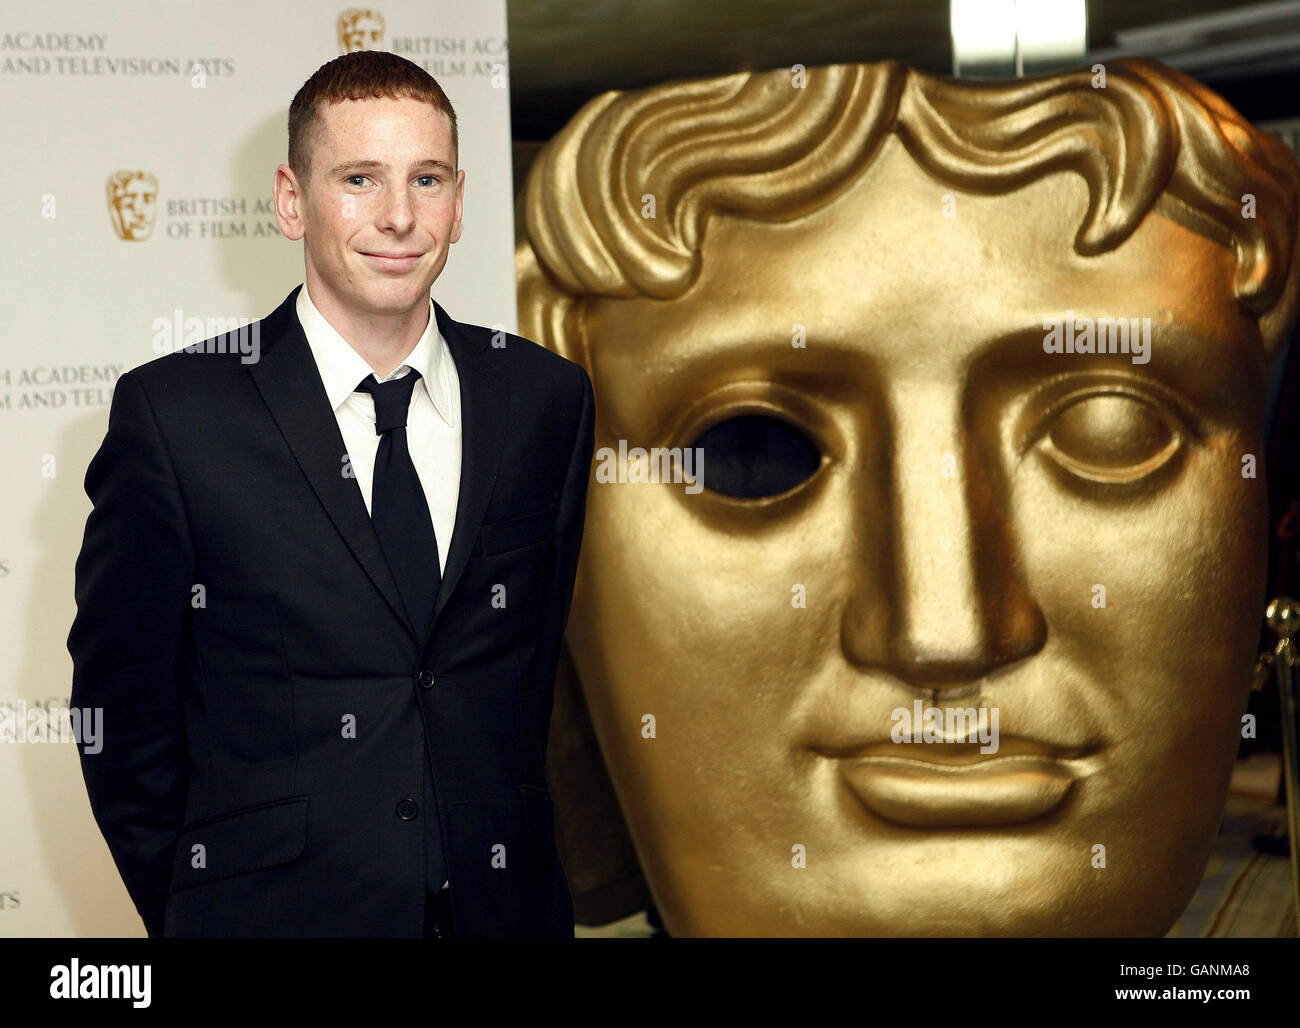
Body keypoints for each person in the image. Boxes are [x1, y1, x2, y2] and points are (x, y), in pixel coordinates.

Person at [68, 49, 594, 938]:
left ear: (461, 202)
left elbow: (528, 674)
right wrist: (203, 907)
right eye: (360, 178)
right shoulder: (177, 416)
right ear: (290, 200)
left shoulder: (544, 400)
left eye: (427, 180)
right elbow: (120, 718)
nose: (399, 217)